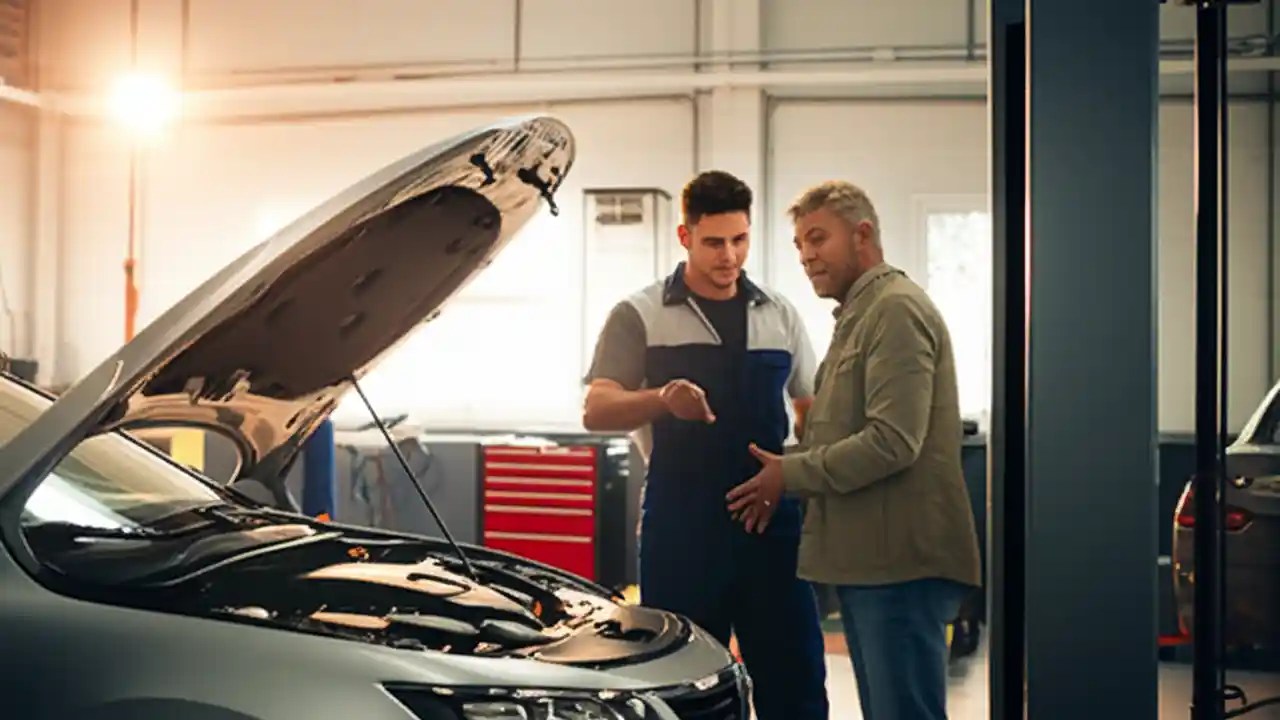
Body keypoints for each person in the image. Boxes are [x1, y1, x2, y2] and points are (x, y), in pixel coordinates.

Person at [725, 180, 982, 720]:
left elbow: (893, 441)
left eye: (817, 239)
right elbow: (838, 433)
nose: (806, 256)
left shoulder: (894, 311)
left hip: (900, 567)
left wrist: (789, 475)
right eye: (798, 245)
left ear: (862, 234)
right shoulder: (857, 316)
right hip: (872, 565)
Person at [582, 170, 829, 720]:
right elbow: (596, 408)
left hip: (772, 526)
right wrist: (661, 400)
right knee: (684, 687)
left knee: (797, 680)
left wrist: (798, 477)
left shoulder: (778, 313)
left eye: (740, 240)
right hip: (683, 528)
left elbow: (812, 412)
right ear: (684, 236)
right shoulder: (639, 314)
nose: (729, 257)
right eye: (715, 242)